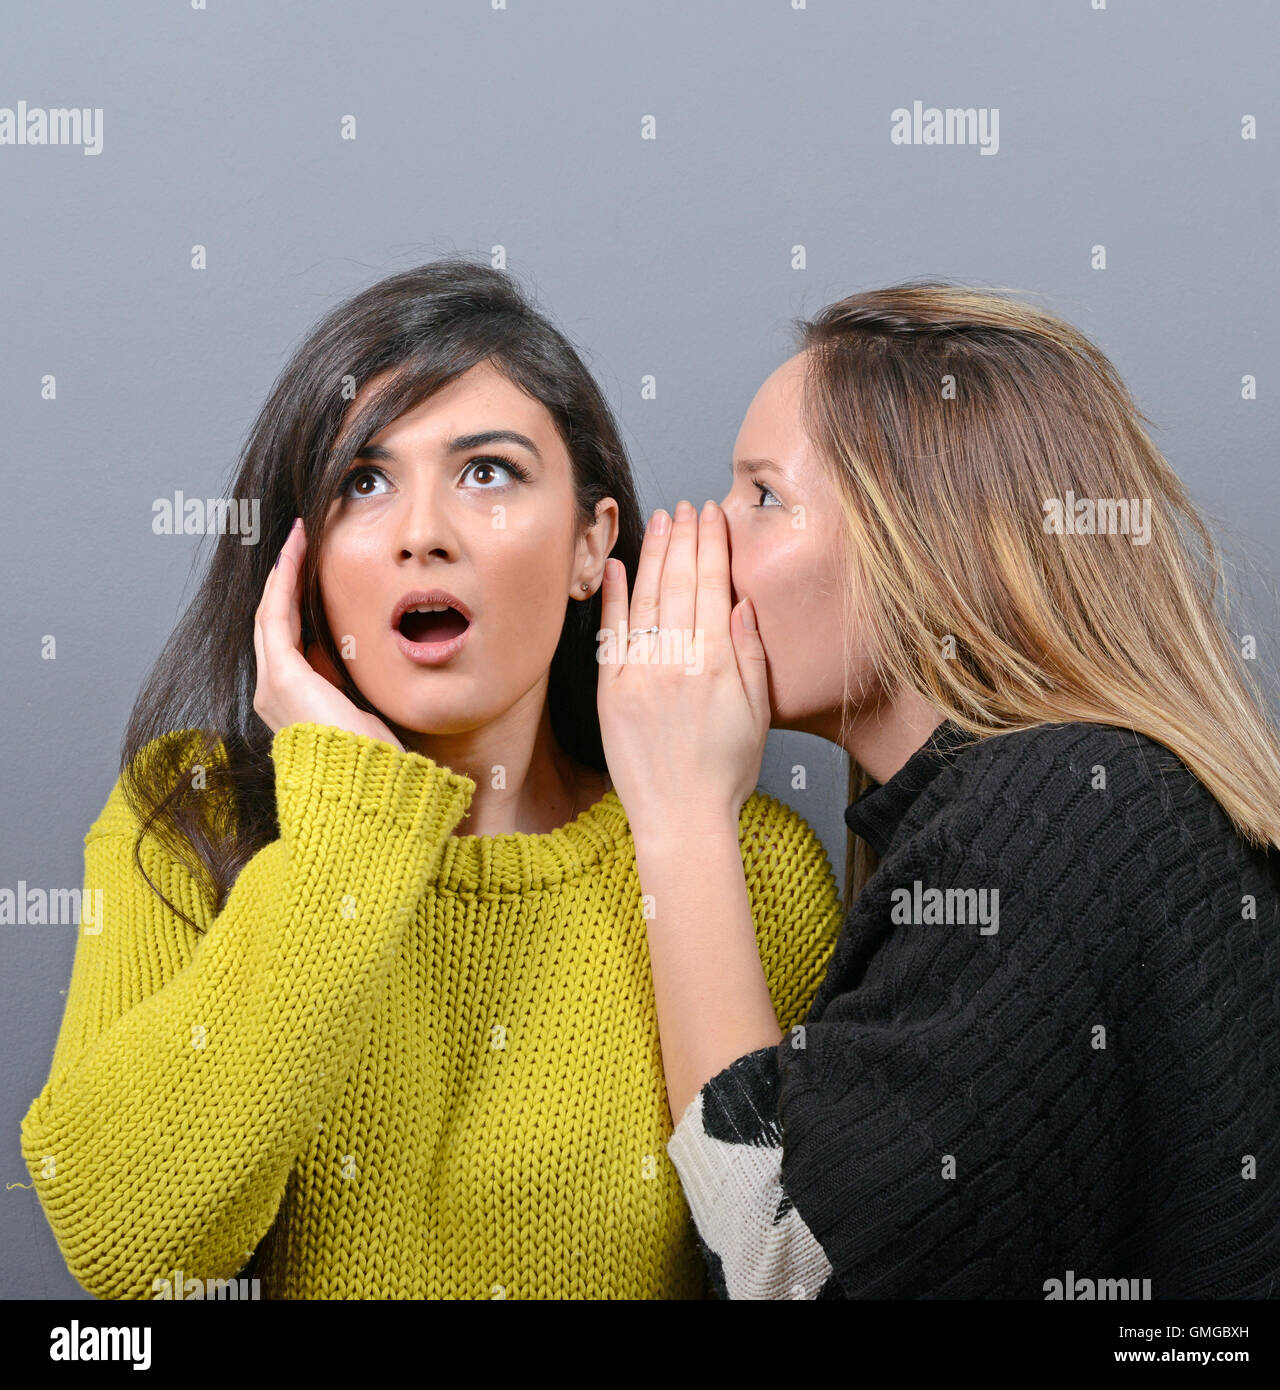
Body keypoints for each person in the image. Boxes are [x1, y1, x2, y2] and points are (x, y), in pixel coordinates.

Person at [19, 259, 842, 1299]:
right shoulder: (189, 816)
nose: (421, 533)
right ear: (305, 559)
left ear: (593, 544)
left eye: (487, 472)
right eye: (363, 482)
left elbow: (807, 1277)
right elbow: (130, 1246)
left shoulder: (749, 862)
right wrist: (351, 820)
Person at [596, 280, 1280, 1299]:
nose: (707, 540)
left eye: (763, 497)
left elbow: (788, 1269)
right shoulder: (1071, 803)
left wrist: (679, 816)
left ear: (924, 543)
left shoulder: (1067, 815)